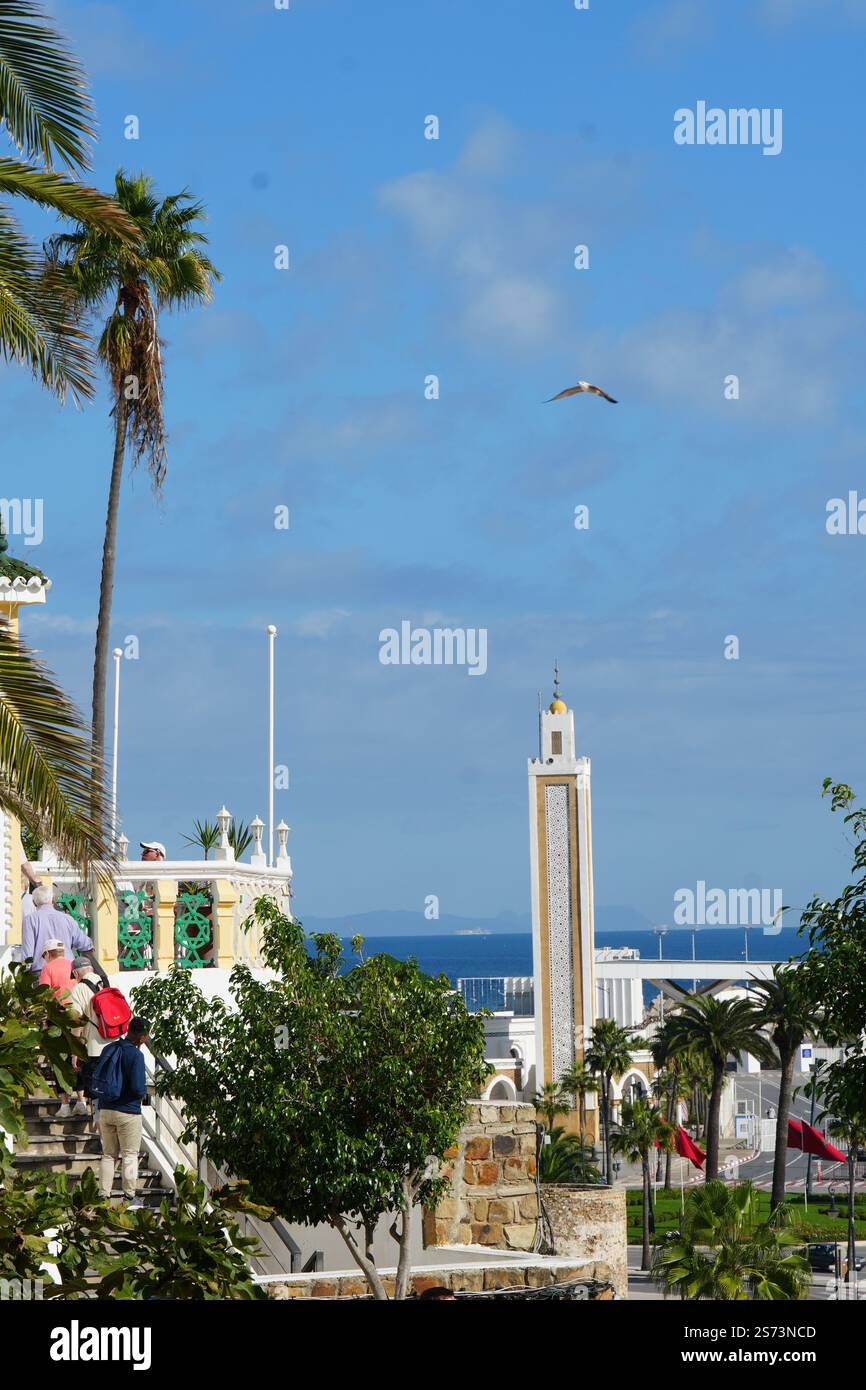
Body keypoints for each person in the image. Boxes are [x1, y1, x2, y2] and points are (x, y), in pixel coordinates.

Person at [93, 1016, 150, 1207]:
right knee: (129, 1154)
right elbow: (137, 1088)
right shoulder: (136, 1055)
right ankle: (129, 1197)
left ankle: (103, 1195)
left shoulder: (110, 1048)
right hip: (128, 1112)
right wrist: (143, 1094)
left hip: (106, 1109)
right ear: (142, 1037)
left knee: (109, 1155)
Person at [66, 955, 110, 1118]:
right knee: (111, 1089)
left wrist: (75, 1052)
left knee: (97, 1094)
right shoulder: (106, 983)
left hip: (93, 1049)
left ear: (76, 974)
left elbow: (76, 1022)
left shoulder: (79, 989)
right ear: (91, 969)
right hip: (114, 1044)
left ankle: (102, 1134)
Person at [20, 884, 94, 978]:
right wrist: (90, 945)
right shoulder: (67, 919)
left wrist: (24, 973)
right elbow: (84, 943)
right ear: (52, 900)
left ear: (34, 902)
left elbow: (28, 951)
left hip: (41, 972)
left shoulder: (29, 920)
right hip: (67, 970)